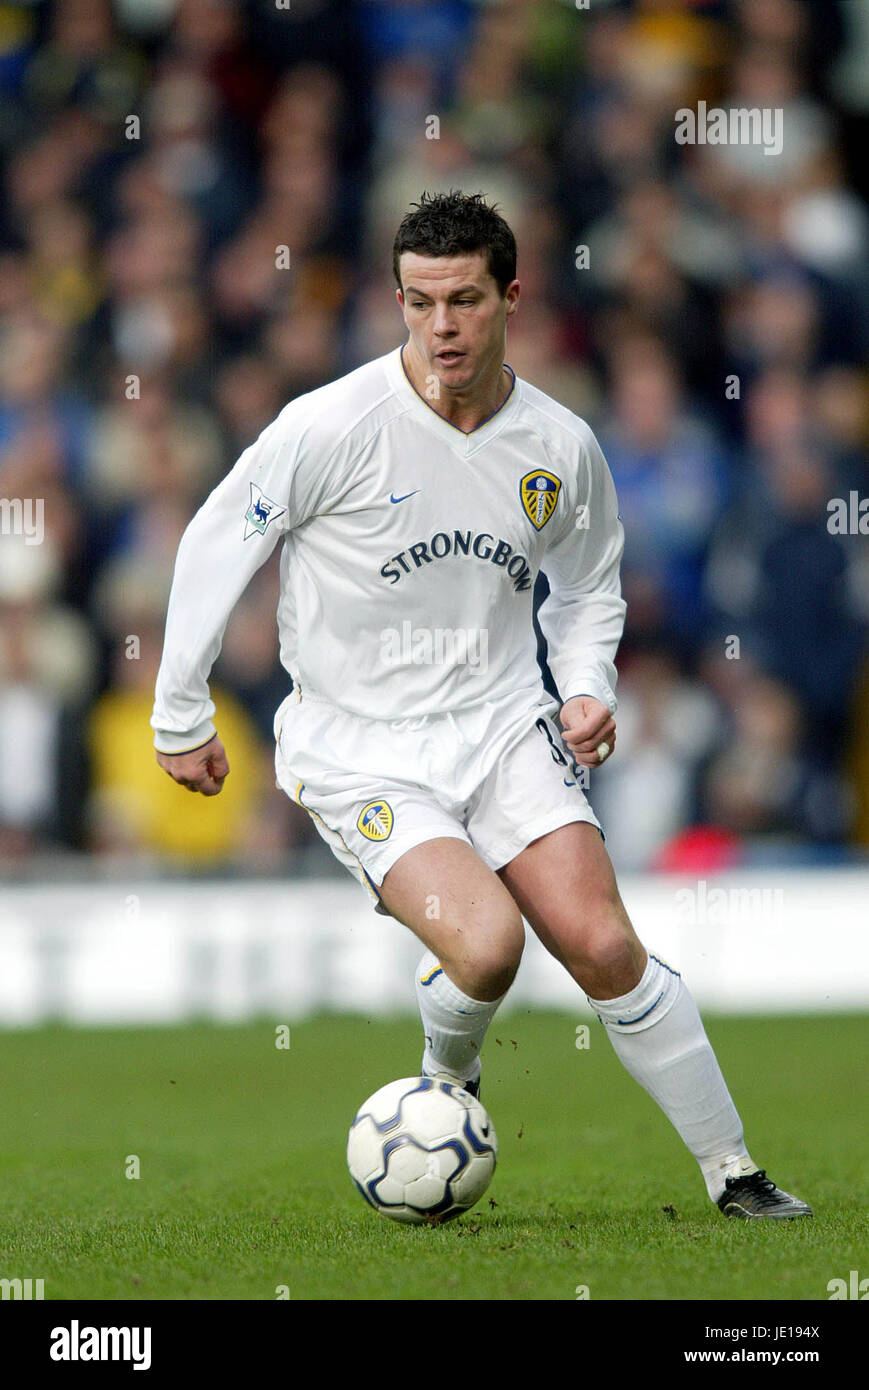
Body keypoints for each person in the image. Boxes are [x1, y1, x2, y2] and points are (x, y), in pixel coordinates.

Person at [151, 191, 810, 1220]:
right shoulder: (330, 425)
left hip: (502, 723)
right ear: (397, 302)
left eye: (462, 300)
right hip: (360, 745)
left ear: (510, 296)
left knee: (599, 944)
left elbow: (588, 588)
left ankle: (734, 1173)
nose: (440, 327)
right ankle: (444, 1069)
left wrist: (585, 685)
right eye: (417, 303)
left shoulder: (558, 444)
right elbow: (214, 540)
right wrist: (178, 712)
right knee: (489, 944)